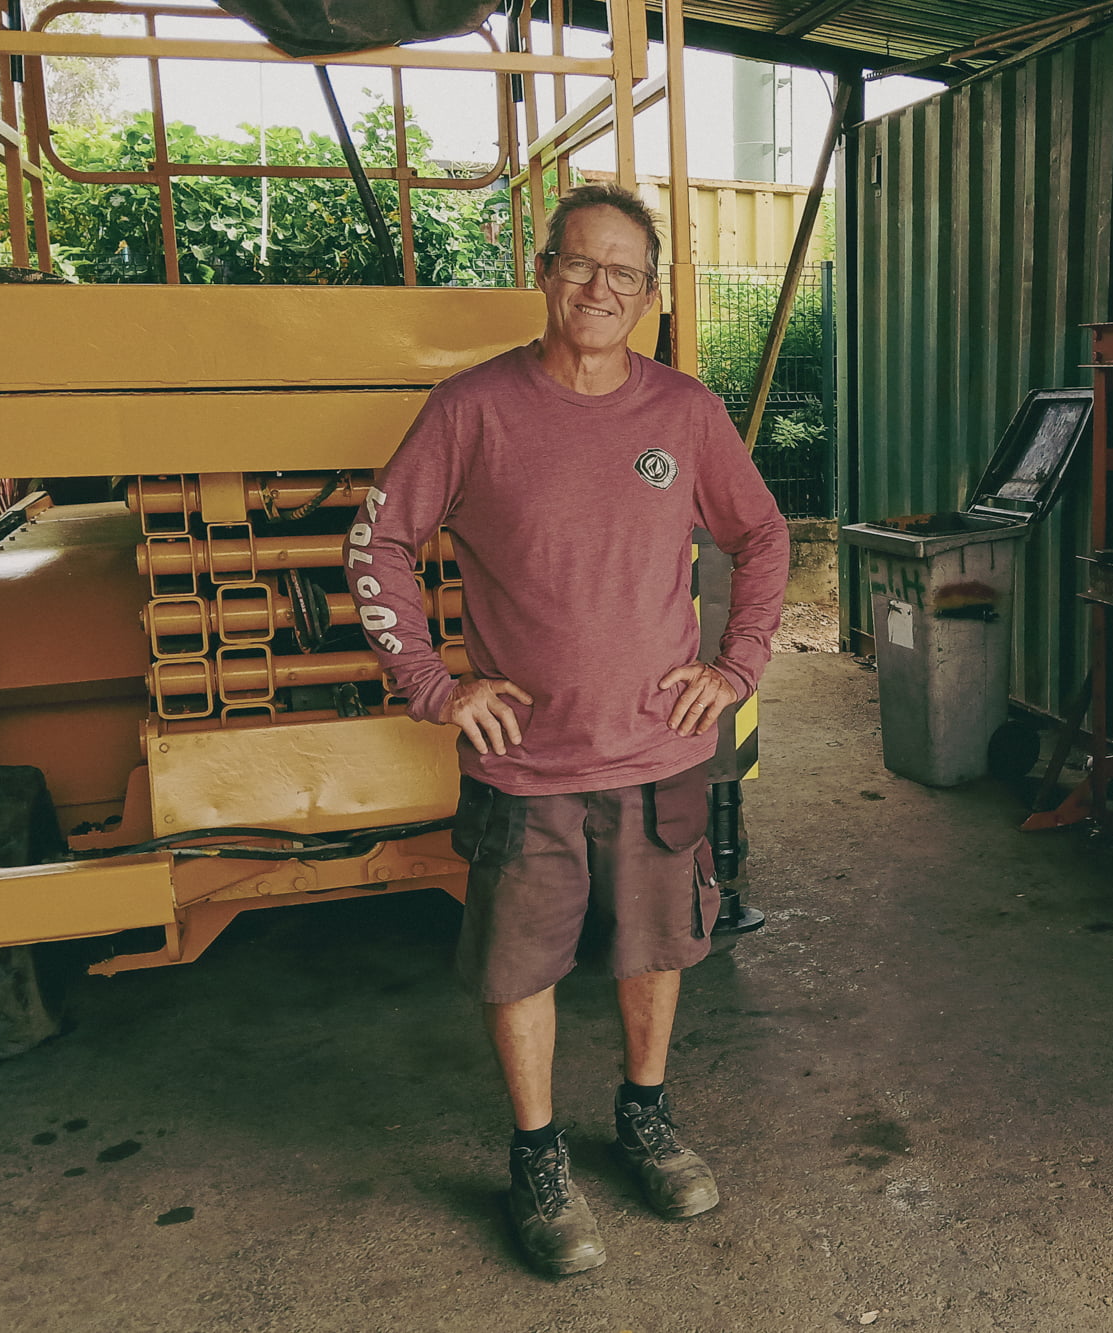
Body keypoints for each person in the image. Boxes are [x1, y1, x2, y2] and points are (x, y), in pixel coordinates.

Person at [345, 183, 789, 1276]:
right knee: (518, 965)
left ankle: (645, 1116)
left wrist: (734, 666)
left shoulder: (684, 412)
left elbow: (762, 535)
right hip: (525, 760)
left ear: (649, 293)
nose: (600, 289)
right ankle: (537, 1157)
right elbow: (378, 544)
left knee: (657, 945)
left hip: (659, 748)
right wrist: (434, 684)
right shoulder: (471, 409)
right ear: (543, 272)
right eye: (580, 265)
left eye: (624, 274)